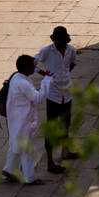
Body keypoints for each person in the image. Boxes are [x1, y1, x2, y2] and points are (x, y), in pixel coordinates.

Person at [34, 26, 78, 174]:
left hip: (67, 92)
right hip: (53, 94)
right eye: (57, 41)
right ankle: (50, 162)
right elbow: (33, 63)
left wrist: (64, 74)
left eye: (62, 41)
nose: (60, 43)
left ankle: (65, 151)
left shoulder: (71, 49)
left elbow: (72, 62)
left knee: (66, 123)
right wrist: (45, 73)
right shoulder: (46, 51)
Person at [2, 55, 50, 185]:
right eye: (32, 66)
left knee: (15, 144)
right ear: (26, 68)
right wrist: (47, 81)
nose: (35, 68)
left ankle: (9, 169)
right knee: (26, 148)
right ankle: (30, 178)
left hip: (17, 118)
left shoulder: (16, 77)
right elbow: (38, 98)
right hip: (23, 120)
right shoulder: (23, 83)